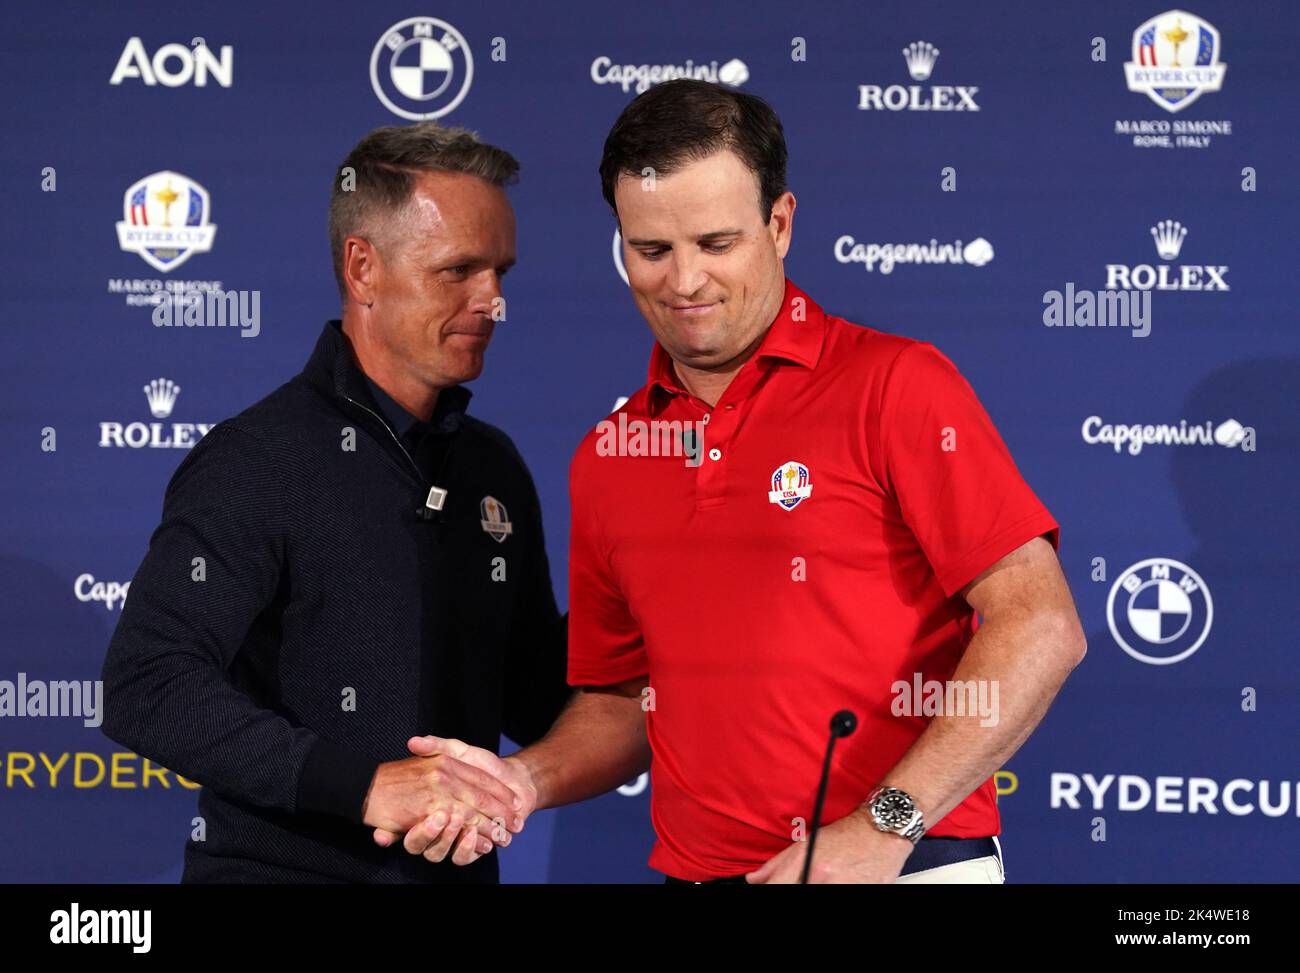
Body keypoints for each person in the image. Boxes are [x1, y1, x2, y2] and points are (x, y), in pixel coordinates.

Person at [390, 79, 1087, 884]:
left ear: (779, 225)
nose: (684, 282)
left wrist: (883, 827)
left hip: (904, 864)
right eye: (651, 250)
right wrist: (526, 779)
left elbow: (1041, 625)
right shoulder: (608, 456)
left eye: (716, 243)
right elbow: (624, 701)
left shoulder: (898, 385)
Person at [100, 122, 570, 883]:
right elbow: (147, 685)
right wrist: (367, 786)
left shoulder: (494, 468)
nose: (492, 300)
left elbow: (537, 697)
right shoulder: (256, 458)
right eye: (460, 270)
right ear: (363, 268)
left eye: (500, 272)